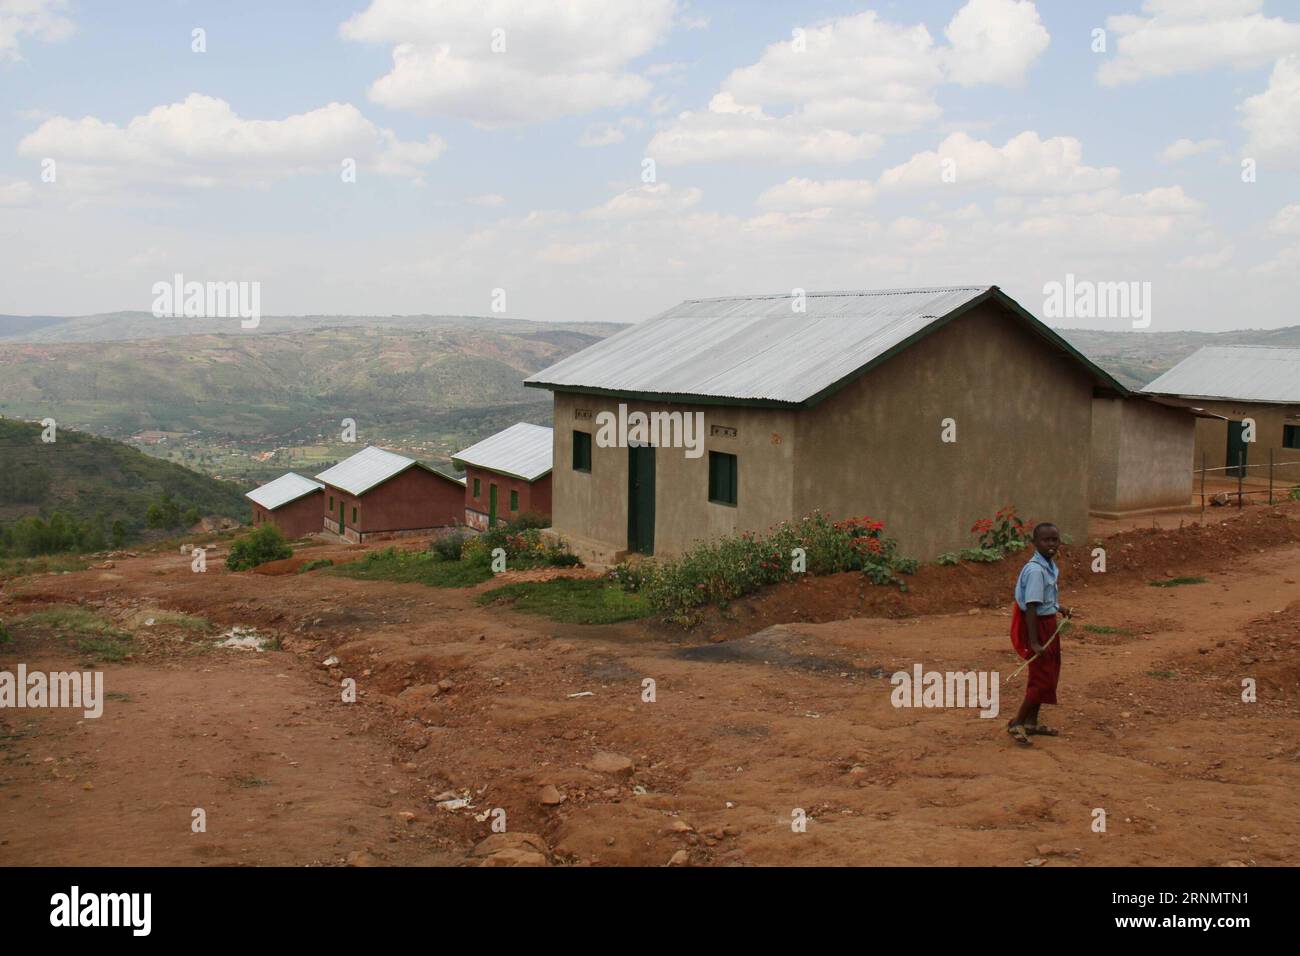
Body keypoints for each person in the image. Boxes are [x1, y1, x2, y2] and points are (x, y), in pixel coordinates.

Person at [1007, 522, 1072, 746]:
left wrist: (1059, 608)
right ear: (1035, 543)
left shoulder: (1048, 566)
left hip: (1047, 623)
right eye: (1046, 540)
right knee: (1041, 676)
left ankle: (1031, 722)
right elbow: (1032, 607)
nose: (1052, 544)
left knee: (1049, 672)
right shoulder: (1036, 570)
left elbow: (1044, 600)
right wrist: (1034, 641)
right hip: (1038, 627)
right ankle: (1018, 722)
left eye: (1055, 539)